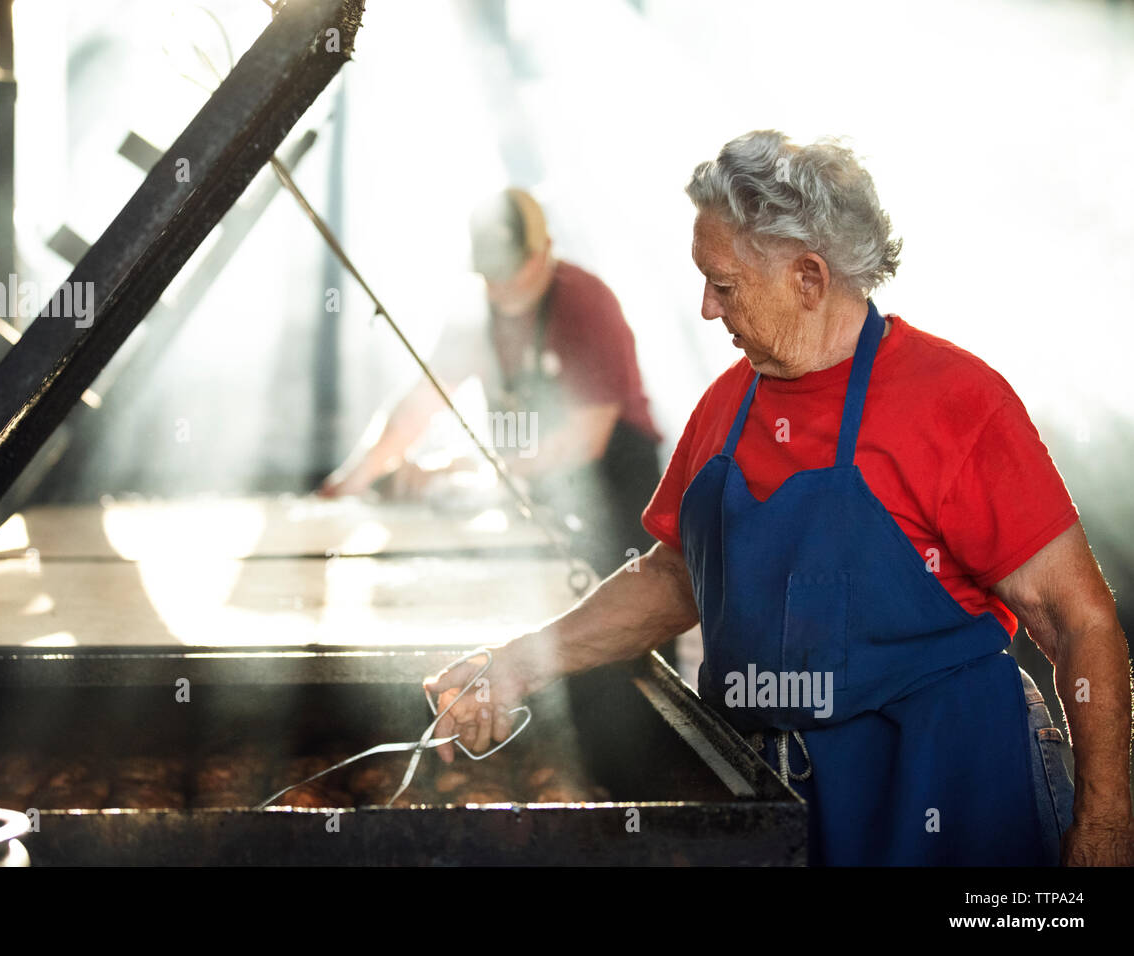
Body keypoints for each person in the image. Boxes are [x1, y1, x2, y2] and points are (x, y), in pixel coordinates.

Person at [423, 131, 1134, 866]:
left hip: (952, 791)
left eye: (723, 284)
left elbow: (1077, 616)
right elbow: (675, 578)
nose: (705, 307)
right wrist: (516, 663)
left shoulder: (957, 403)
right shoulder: (724, 410)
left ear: (808, 277)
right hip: (782, 802)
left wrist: (1108, 824)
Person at [320, 188, 663, 579]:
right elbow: (420, 404)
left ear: (544, 249)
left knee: (632, 616)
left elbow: (586, 437)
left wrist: (472, 471)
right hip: (539, 492)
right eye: (490, 270)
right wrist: (353, 479)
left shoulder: (584, 302)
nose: (500, 284)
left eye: (511, 266)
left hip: (616, 489)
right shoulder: (473, 316)